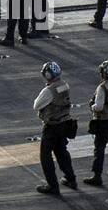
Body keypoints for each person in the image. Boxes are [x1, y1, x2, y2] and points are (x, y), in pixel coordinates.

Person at [33, 60, 78, 195]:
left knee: (45, 156)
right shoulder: (65, 85)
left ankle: (53, 186)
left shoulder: (48, 90)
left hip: (52, 126)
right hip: (65, 123)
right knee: (61, 152)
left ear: (47, 75)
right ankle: (71, 179)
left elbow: (36, 105)